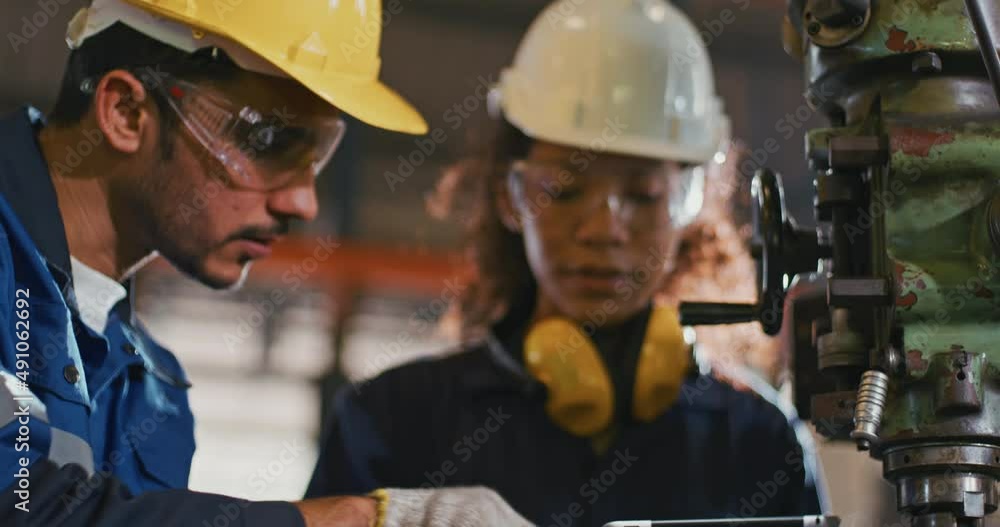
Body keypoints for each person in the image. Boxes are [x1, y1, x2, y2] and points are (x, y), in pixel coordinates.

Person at [0, 0, 532, 525]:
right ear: (126, 112)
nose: (303, 203)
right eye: (268, 139)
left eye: (316, 156)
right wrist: (353, 519)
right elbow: (26, 507)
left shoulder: (153, 394)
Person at [306, 1, 824, 525]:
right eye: (564, 189)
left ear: (690, 203)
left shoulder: (758, 439)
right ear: (511, 197)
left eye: (644, 195)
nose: (602, 229)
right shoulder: (393, 420)